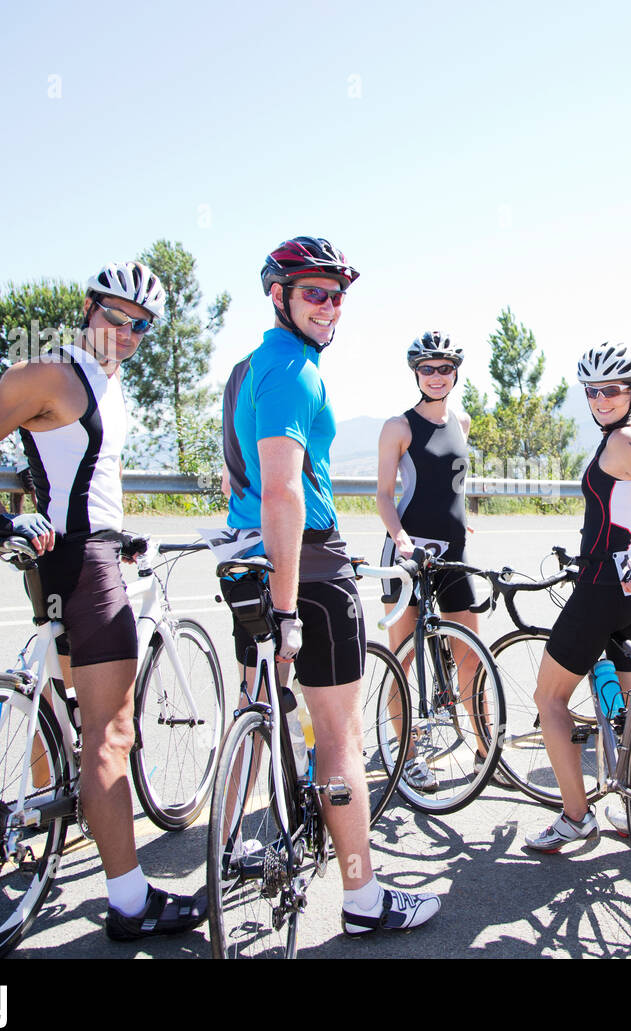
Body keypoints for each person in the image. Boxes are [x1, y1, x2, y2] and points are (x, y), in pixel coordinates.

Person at [0, 261, 209, 940]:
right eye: (114, 316)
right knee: (112, 736)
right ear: (89, 308)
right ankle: (129, 902)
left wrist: (118, 536)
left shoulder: (106, 383)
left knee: (76, 721)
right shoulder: (49, 375)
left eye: (141, 326)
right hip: (81, 568)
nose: (125, 333)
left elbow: (85, 476)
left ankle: (55, 814)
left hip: (90, 555)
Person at [220, 236, 440, 935]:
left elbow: (237, 480)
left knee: (258, 710)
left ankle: (223, 851)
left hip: (247, 563)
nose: (330, 306)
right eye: (314, 292)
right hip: (308, 569)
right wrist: (288, 607)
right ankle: (364, 897)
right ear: (278, 295)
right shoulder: (293, 370)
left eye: (338, 294)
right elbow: (281, 492)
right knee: (340, 739)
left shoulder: (246, 368)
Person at [524, 342, 631, 850]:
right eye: (592, 391)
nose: (600, 399)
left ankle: (576, 817)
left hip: (600, 586)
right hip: (629, 590)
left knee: (548, 698)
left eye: (611, 390)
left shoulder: (621, 441)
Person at [376, 332, 481, 792]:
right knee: (405, 656)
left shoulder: (463, 419)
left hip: (453, 552)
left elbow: (451, 482)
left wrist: (461, 520)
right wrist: (399, 538)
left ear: (455, 372)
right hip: (408, 549)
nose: (436, 376)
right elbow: (383, 496)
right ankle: (408, 756)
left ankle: (484, 743)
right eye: (427, 369)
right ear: (415, 373)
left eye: (444, 368)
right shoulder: (398, 427)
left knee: (471, 656)